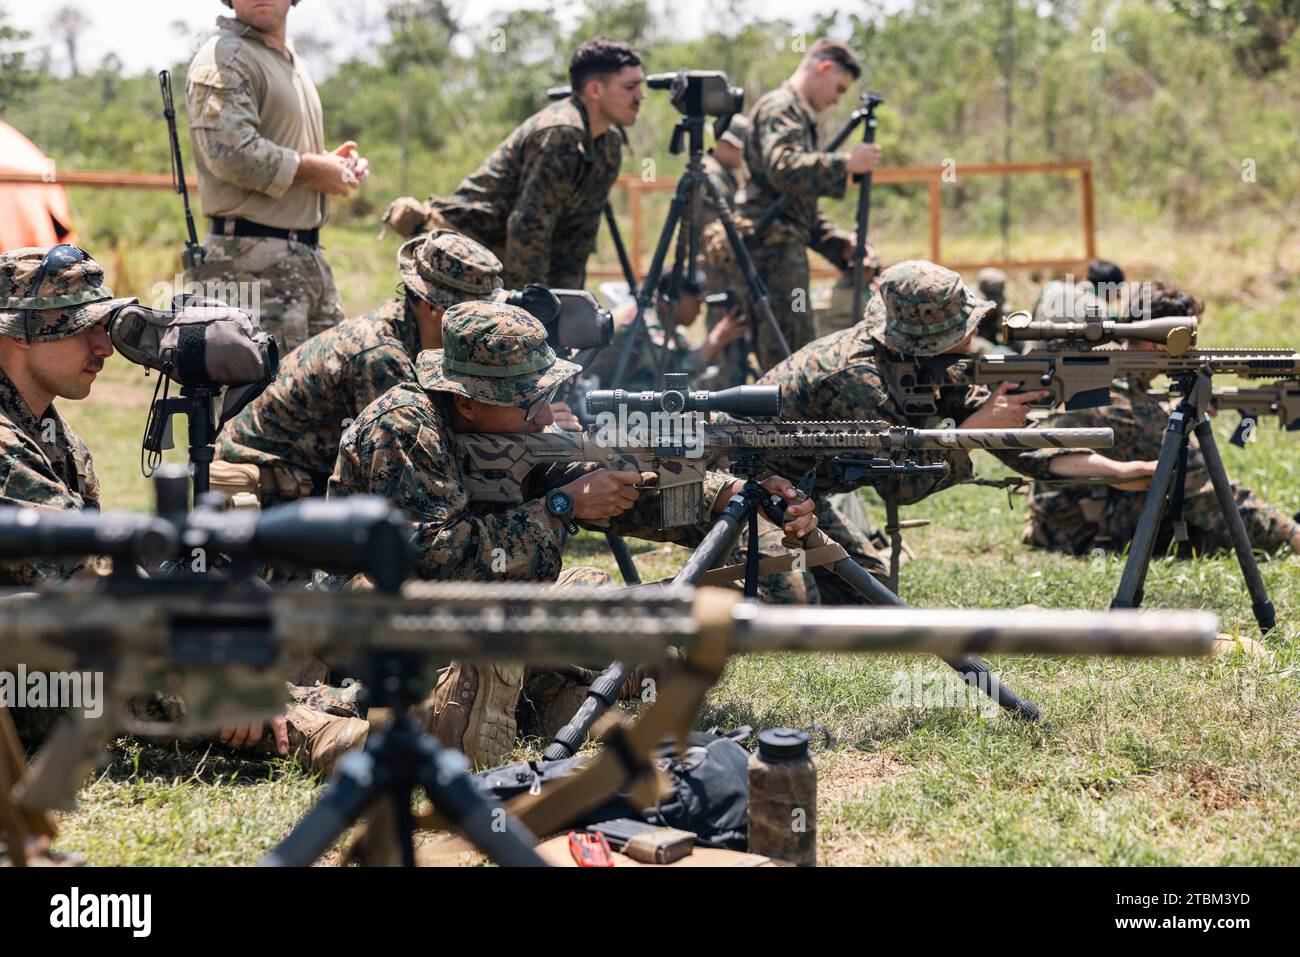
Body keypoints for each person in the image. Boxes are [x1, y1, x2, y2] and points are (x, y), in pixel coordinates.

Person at [327, 300, 817, 765]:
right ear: (467, 402)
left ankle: (545, 681)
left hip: (473, 606)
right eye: (529, 402)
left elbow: (616, 493)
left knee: (602, 603)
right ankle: (526, 688)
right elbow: (435, 556)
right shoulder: (405, 430)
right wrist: (562, 506)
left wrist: (725, 494)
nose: (544, 416)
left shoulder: (505, 434)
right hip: (378, 616)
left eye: (548, 396)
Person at [750, 260, 1156, 603]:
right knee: (792, 602)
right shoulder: (858, 379)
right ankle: (712, 586)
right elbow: (899, 487)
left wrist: (1122, 472)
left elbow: (1023, 447)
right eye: (965, 325)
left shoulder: (932, 363)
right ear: (927, 341)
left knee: (870, 595)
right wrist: (975, 430)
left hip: (798, 494)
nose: (974, 332)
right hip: (742, 485)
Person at [213, 230, 506, 506]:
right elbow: (412, 462)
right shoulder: (382, 357)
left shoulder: (410, 331)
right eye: (479, 312)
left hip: (306, 476)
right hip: (271, 487)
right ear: (435, 309)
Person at [1024, 284, 1300, 557]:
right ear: (1153, 340)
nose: (1192, 351)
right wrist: (1290, 533)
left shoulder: (1115, 378)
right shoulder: (1129, 406)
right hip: (1079, 535)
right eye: (1185, 339)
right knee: (1202, 521)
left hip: (1057, 521)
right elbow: (1206, 487)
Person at [186, 0, 369, 353]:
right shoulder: (227, 57)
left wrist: (333, 167)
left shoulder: (287, 59)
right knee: (257, 402)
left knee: (324, 397)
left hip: (304, 260)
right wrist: (316, 170)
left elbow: (283, 153)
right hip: (247, 266)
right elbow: (232, 154)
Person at [388, 37, 643, 289]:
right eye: (630, 87)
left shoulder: (609, 143)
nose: (640, 96)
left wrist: (569, 301)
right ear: (596, 90)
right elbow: (529, 228)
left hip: (504, 259)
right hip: (464, 254)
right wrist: (532, 308)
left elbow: (578, 235)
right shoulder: (560, 133)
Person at [736, 38, 882, 369]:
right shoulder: (781, 107)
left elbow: (795, 207)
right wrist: (845, 164)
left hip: (782, 249)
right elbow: (783, 168)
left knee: (793, 353)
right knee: (789, 363)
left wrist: (839, 244)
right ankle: (787, 422)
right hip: (771, 254)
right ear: (824, 68)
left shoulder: (797, 114)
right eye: (839, 88)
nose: (836, 100)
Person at [585, 272, 748, 391]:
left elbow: (685, 356)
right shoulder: (642, 323)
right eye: (696, 303)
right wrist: (715, 341)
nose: (699, 311)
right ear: (667, 301)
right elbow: (670, 374)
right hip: (601, 399)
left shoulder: (669, 326)